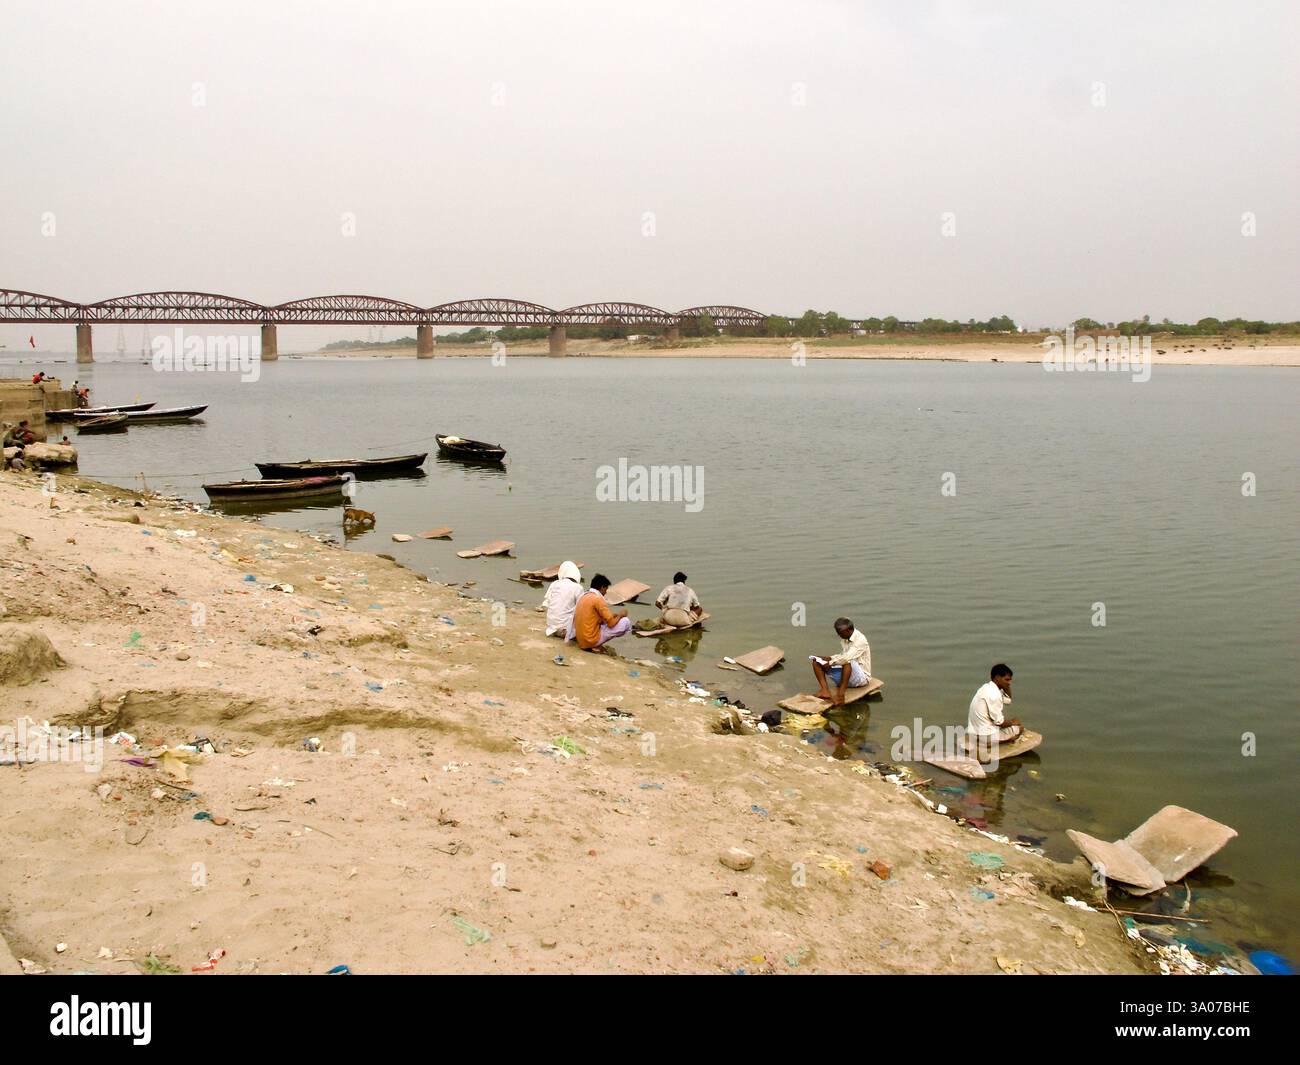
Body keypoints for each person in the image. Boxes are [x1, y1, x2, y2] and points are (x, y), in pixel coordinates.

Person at [812, 617, 872, 706]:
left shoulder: (861, 640)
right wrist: (829, 658)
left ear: (848, 630)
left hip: (861, 678)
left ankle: (840, 696)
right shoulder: (846, 639)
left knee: (847, 661)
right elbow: (843, 655)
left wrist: (831, 663)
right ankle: (825, 691)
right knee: (817, 662)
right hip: (849, 675)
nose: (839, 635)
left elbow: (846, 658)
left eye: (840, 633)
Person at [966, 664, 1023, 755]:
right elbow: (999, 722)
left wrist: (1006, 686)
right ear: (997, 678)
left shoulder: (986, 687)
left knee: (1008, 724)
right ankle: (998, 742)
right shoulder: (994, 695)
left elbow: (1008, 700)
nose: (1009, 683)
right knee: (1020, 728)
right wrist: (1013, 722)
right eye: (1007, 680)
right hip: (985, 736)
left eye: (1010, 680)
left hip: (974, 732)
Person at [568, 573, 631, 652]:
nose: (606, 592)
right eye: (606, 589)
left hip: (581, 640)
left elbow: (596, 617)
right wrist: (620, 615)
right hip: (590, 640)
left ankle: (595, 644)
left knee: (606, 622)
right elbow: (611, 624)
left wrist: (615, 615)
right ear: (602, 587)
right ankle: (596, 645)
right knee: (626, 622)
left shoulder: (584, 596)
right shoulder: (598, 599)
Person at [541, 561, 584, 638]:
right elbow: (582, 609)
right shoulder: (578, 588)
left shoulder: (554, 584)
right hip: (566, 630)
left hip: (551, 629)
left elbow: (545, 605)